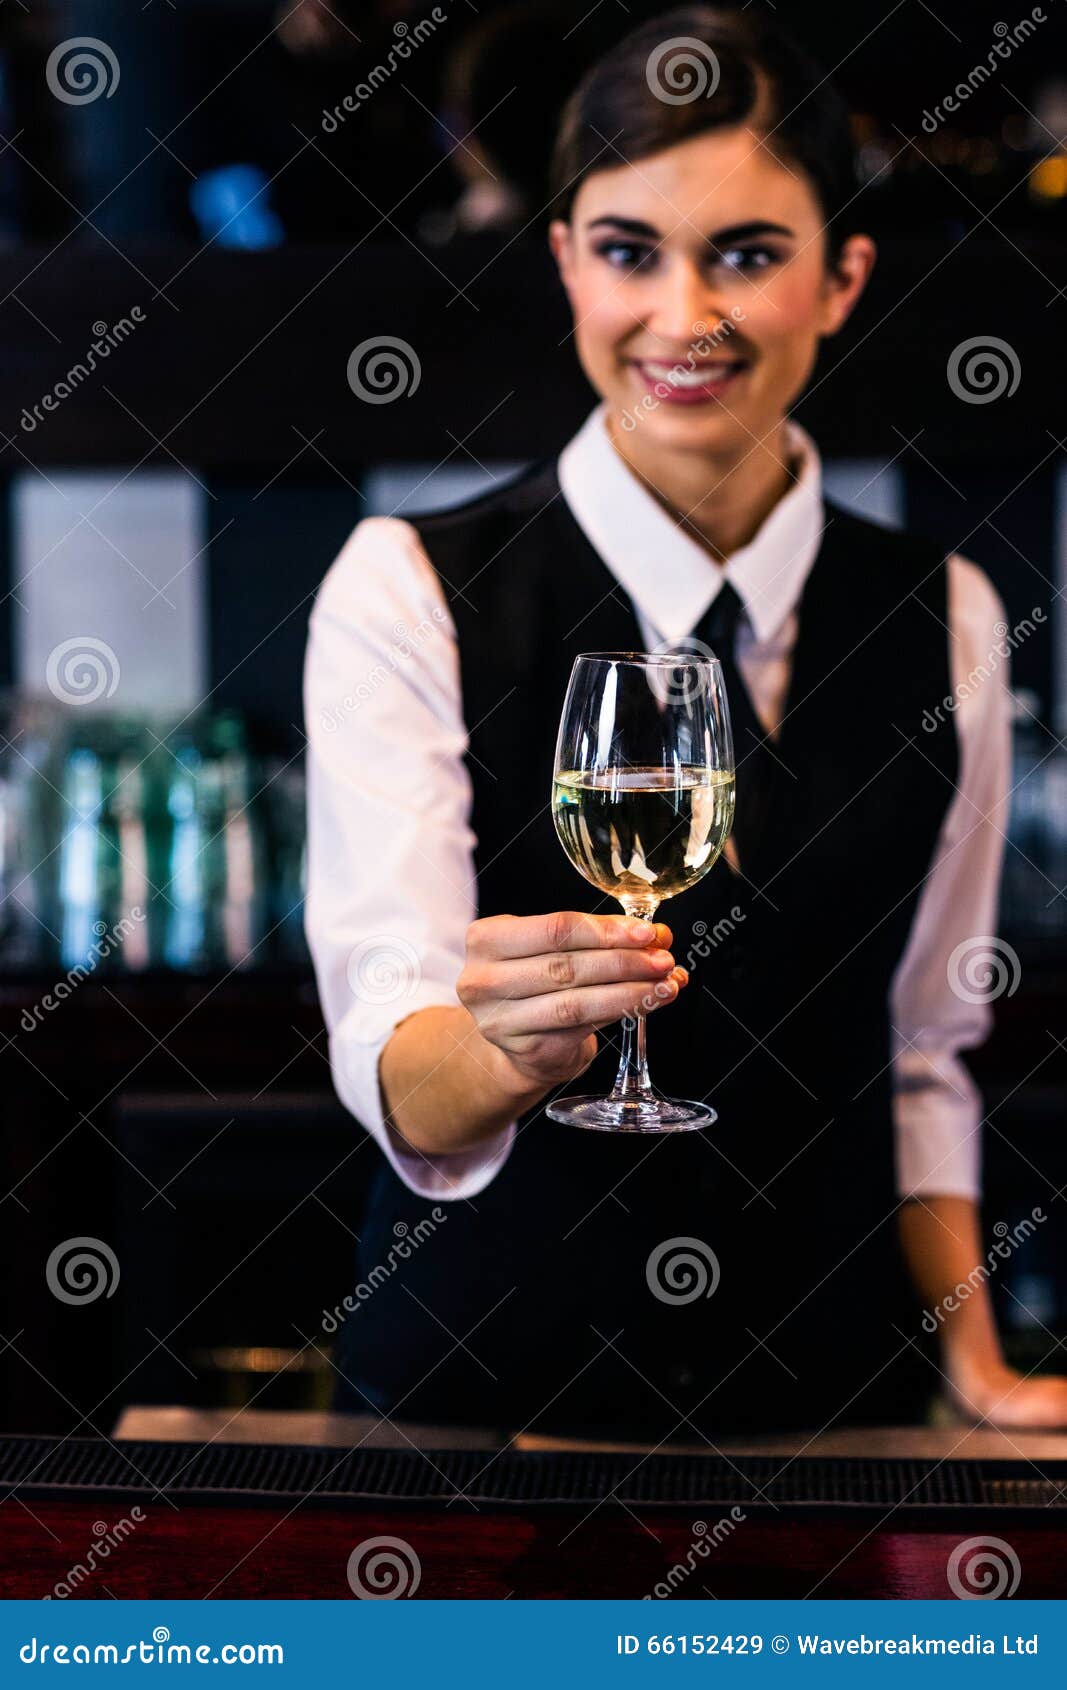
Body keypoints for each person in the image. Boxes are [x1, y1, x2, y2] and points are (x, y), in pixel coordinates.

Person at [304, 3, 1067, 1440]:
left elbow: (920, 1047)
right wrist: (506, 1051)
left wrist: (971, 1361)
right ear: (564, 263)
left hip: (831, 1422)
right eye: (629, 251)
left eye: (748, 255)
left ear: (841, 277)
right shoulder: (406, 587)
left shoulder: (951, 612)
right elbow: (396, 1048)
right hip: (482, 1429)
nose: (684, 317)